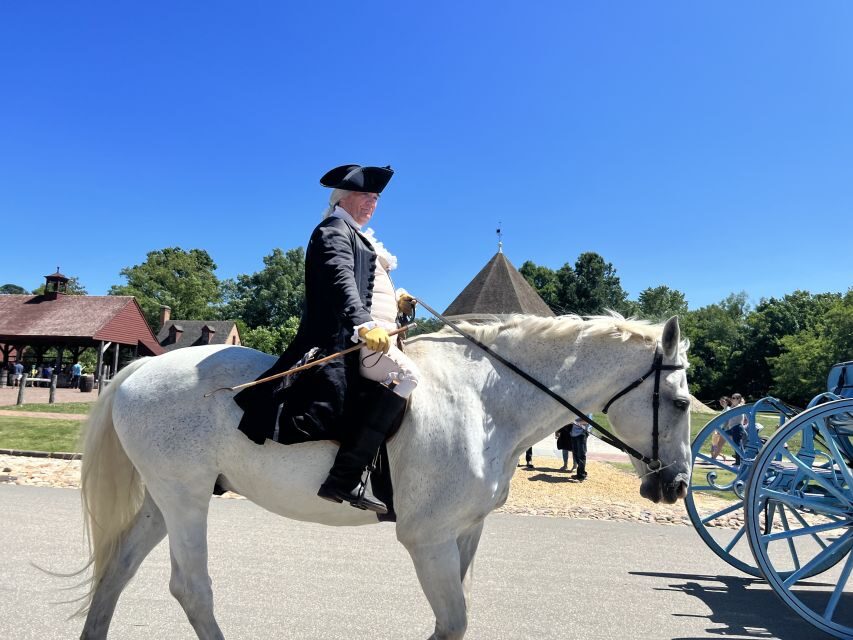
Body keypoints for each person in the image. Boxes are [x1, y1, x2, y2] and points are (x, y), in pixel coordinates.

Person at [234, 164, 418, 515]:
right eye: (365, 196)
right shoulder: (332, 231)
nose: (372, 203)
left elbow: (367, 284)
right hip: (350, 339)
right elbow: (340, 282)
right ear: (342, 198)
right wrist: (365, 324)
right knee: (409, 377)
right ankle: (344, 478)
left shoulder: (359, 237)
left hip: (379, 337)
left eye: (376, 198)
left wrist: (397, 300)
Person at [570, 416, 591, 481]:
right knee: (576, 454)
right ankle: (581, 473)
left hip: (582, 434)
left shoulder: (588, 409)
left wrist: (574, 421)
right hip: (573, 434)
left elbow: (587, 421)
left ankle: (581, 476)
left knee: (581, 455)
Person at [710, 396, 730, 461]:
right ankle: (714, 458)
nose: (721, 402)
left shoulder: (728, 409)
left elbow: (727, 420)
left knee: (718, 445)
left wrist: (722, 429)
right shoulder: (724, 409)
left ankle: (713, 459)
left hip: (724, 430)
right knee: (715, 445)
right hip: (720, 429)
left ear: (726, 401)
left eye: (723, 401)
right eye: (720, 401)